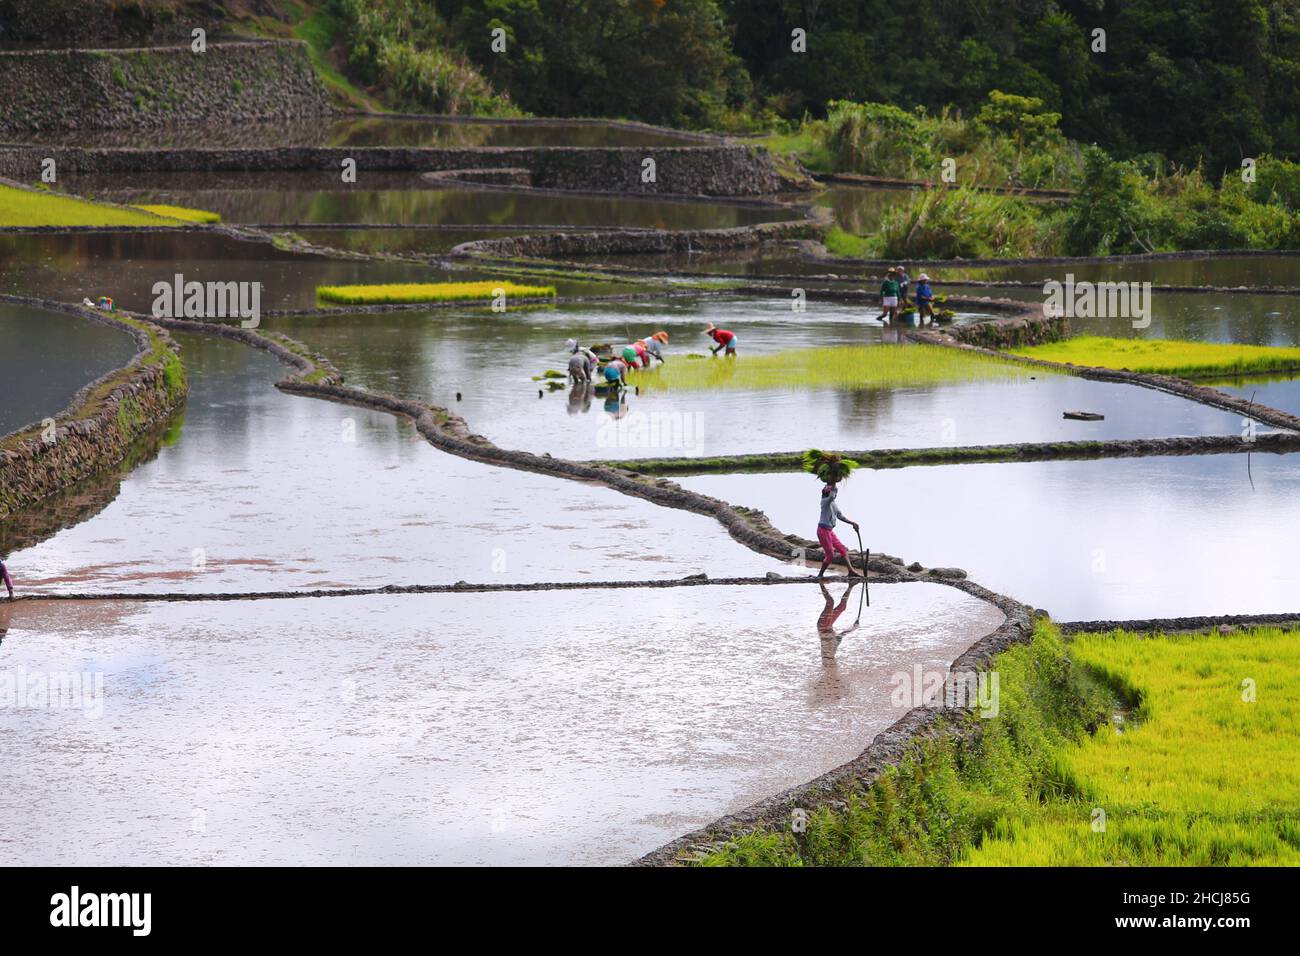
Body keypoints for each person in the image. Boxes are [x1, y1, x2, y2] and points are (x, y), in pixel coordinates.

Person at [816, 479, 862, 578]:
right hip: (823, 531)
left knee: (843, 549)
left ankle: (851, 571)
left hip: (829, 531)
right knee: (830, 554)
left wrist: (852, 523)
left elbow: (840, 516)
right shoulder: (825, 502)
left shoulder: (833, 504)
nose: (834, 495)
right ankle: (820, 575)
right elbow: (831, 495)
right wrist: (833, 484)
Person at [817, 580, 862, 662]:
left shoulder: (829, 654)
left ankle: (820, 583)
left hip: (823, 626)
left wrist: (854, 628)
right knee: (842, 606)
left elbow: (841, 635)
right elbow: (842, 634)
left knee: (830, 602)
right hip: (828, 626)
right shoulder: (835, 646)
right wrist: (854, 627)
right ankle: (851, 585)